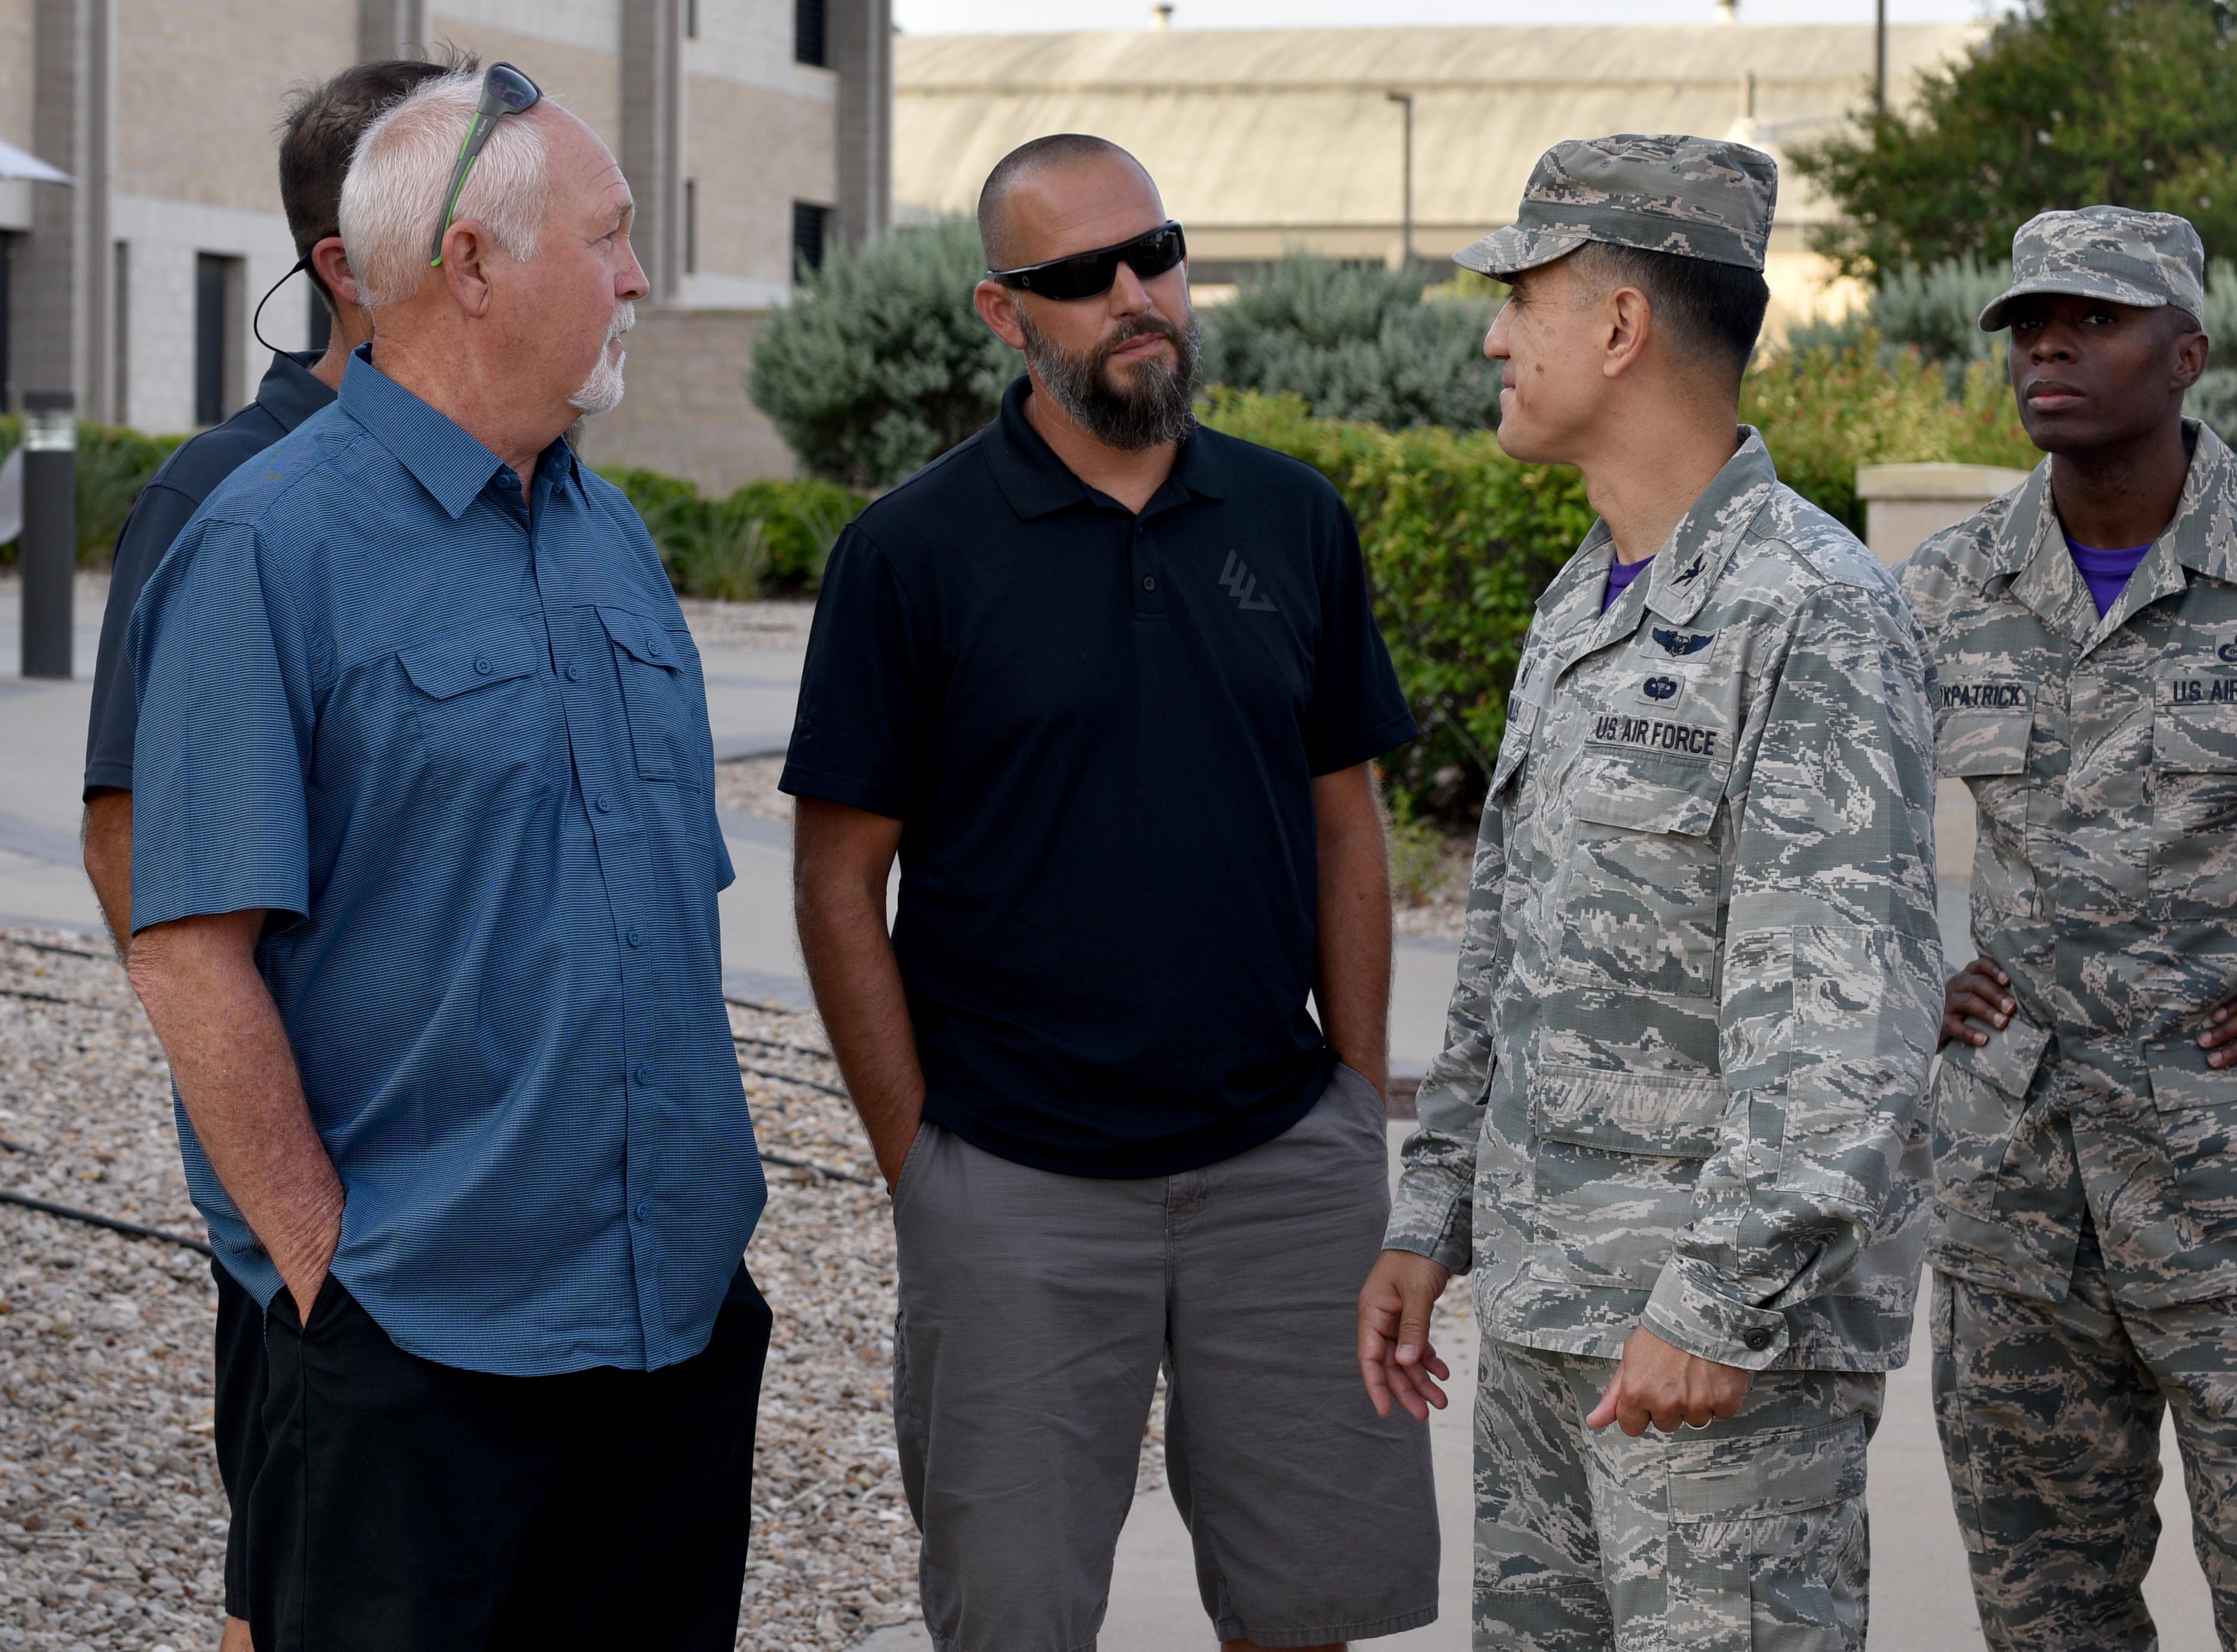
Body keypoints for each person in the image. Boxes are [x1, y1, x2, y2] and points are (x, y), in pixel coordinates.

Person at [120, 68, 768, 1650]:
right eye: (612, 240)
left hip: (670, 1323)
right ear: (472, 264)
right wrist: (328, 1269)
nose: (636, 278)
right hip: (423, 1344)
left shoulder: (611, 534)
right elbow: (189, 943)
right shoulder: (262, 546)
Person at [784, 132, 1439, 1652]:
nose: (1136, 295)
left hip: (1282, 1170)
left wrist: (1348, 1099)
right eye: (1081, 277)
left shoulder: (1293, 519)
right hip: (1012, 1184)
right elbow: (835, 884)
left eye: (1156, 253)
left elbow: (1349, 824)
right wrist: (920, 1165)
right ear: (1003, 314)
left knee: (1308, 1611)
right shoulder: (908, 554)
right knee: (1011, 1620)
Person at [1362, 135, 1943, 1650]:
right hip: (1556, 1322)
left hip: (1713, 1365)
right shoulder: (1584, 596)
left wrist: (1715, 1303)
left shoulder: (1811, 611)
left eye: (1521, 294)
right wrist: (1432, 1220)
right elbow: (1505, 948)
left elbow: (1848, 1029)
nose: (1493, 332)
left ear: (1618, 326)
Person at [1907, 205, 2237, 1651]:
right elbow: (1819, 819)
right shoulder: (1941, 592)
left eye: (2096, 318)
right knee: (2046, 1621)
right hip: (2017, 1220)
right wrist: (1895, 980)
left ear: (2188, 352)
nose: (2049, 342)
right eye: (2026, 322)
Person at [76, 55, 457, 1652]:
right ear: (343, 265)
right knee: (307, 1595)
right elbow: (132, 851)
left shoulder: (503, 482)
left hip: (500, 1213)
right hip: (345, 1227)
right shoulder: (225, 496)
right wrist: (299, 1225)